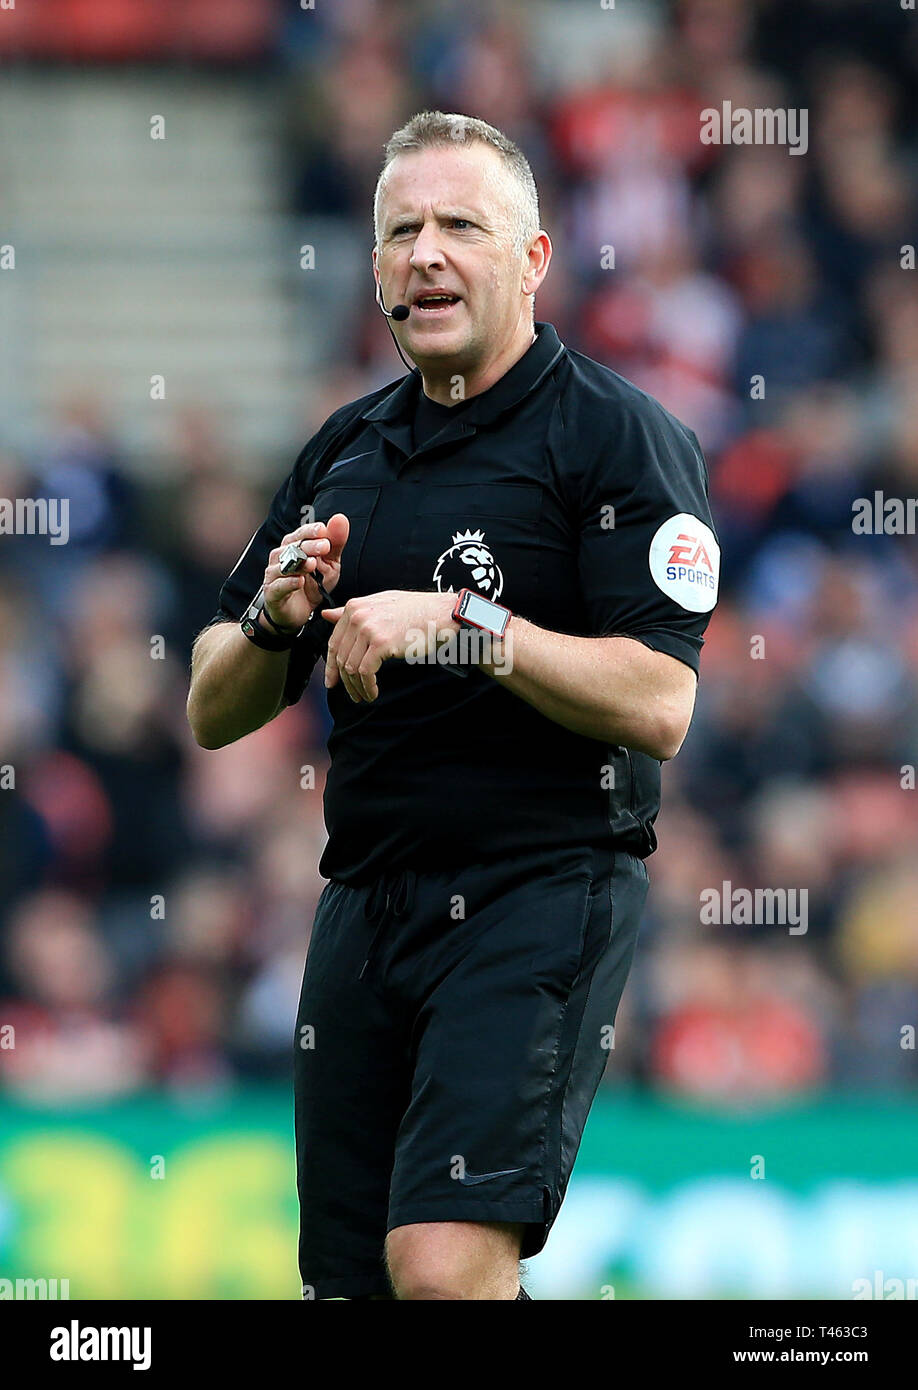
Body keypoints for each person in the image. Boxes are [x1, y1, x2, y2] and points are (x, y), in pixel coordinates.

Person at [186, 111, 719, 1301]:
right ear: (375, 269)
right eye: (400, 230)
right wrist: (276, 618)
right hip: (363, 905)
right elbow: (213, 705)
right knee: (352, 1290)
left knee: (439, 1270)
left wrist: (465, 626)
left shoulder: (618, 438)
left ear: (531, 260)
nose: (425, 252)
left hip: (538, 887)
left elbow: (663, 700)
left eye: (460, 226)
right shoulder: (344, 452)